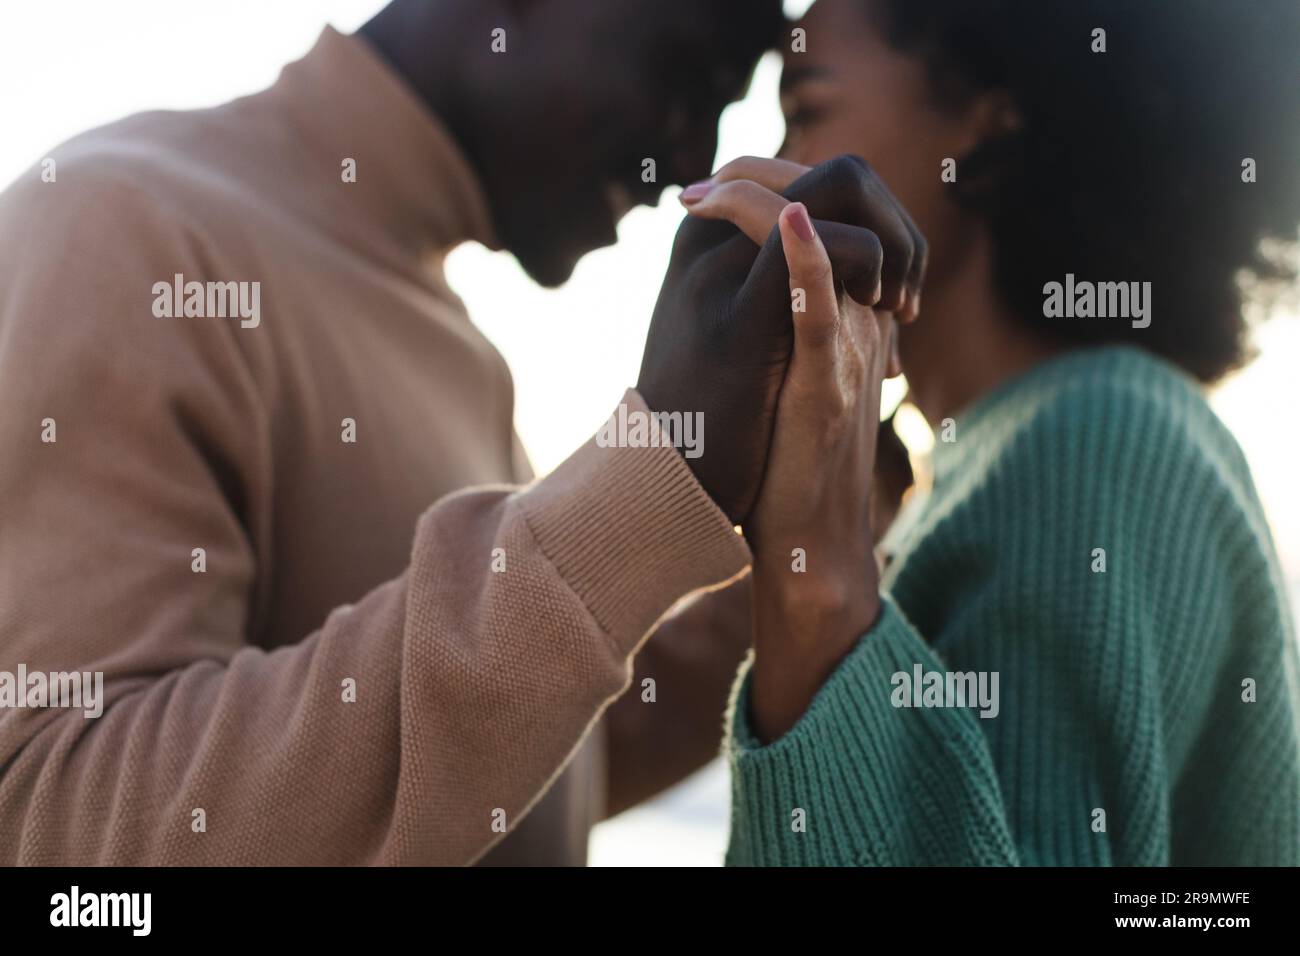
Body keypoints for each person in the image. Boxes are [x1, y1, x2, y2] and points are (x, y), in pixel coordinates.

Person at [0, 0, 845, 866]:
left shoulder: (442, 323)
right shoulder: (126, 225)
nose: (686, 160)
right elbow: (68, 827)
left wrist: (828, 513)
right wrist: (654, 466)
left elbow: (491, 787)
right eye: (685, 74)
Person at [679, 0, 1300, 865]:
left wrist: (817, 589)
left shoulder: (1092, 441)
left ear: (980, 110)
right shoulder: (1000, 458)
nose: (772, 165)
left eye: (805, 110)